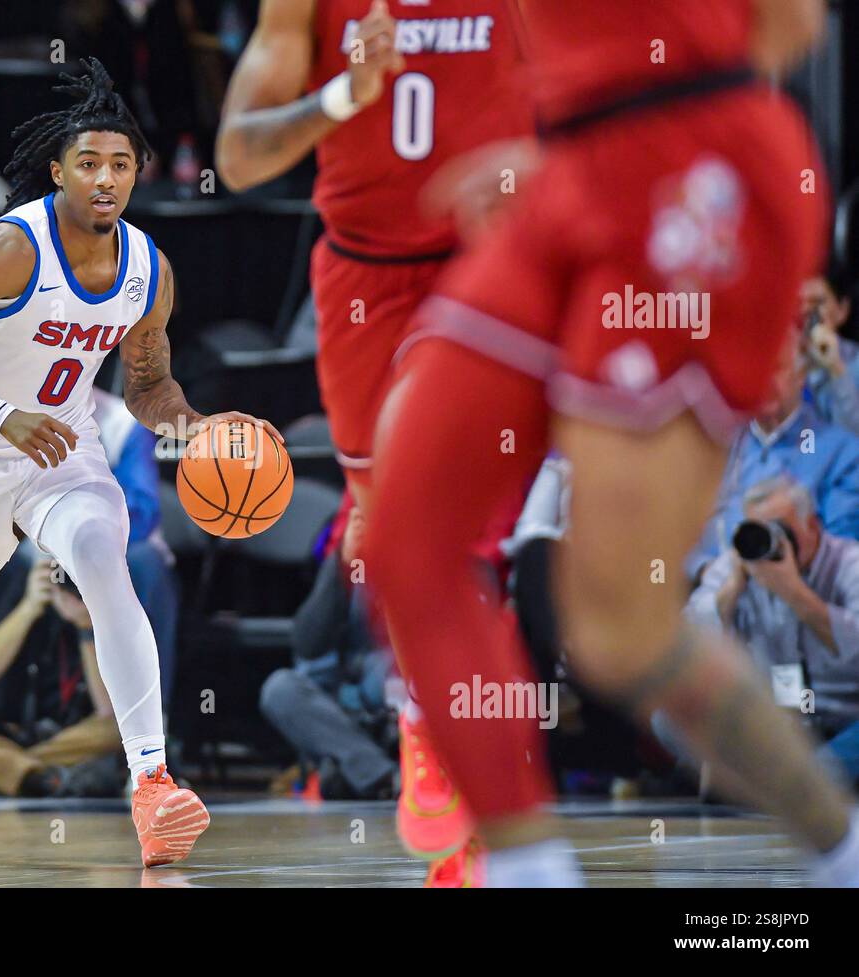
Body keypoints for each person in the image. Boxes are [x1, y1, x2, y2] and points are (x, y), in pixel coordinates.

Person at [366, 0, 859, 887]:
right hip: (574, 168)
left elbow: (793, 27)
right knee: (405, 539)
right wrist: (575, 129)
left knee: (619, 635)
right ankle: (530, 871)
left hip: (694, 169)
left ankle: (842, 853)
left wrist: (639, 116)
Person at [0, 58, 280, 868]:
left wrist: (192, 427)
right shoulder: (14, 247)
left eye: (121, 165)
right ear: (58, 171)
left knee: (102, 559)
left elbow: (149, 386)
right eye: (89, 162)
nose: (105, 178)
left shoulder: (147, 270)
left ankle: (153, 781)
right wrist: (1, 416)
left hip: (60, 449)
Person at [216, 0, 534, 879]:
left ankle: (442, 734)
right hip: (361, 274)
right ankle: (448, 766)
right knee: (385, 525)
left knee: (447, 514)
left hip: (483, 263)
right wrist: (342, 96)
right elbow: (237, 157)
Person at [685, 474, 859, 789]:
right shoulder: (741, 561)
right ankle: (766, 778)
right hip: (773, 721)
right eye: (761, 529)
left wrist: (795, 593)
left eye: (782, 528)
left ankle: (778, 782)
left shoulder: (850, 562)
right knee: (668, 717)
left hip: (845, 716)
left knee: (821, 773)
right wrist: (731, 590)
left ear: (813, 526)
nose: (773, 540)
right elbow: (687, 639)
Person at [0, 558, 123, 798]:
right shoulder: (17, 581)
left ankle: (8, 770)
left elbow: (107, 709)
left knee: (121, 726)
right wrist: (28, 608)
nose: (68, 584)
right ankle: (31, 773)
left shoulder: (103, 599)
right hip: (1, 731)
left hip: (65, 739)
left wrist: (86, 626)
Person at [689, 329, 859, 579]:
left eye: (776, 368)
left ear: (801, 376)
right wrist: (705, 571)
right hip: (711, 599)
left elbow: (842, 560)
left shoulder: (840, 452)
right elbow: (679, 534)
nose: (764, 381)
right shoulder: (717, 445)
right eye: (754, 371)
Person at [259, 506, 398, 802]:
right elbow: (307, 643)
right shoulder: (350, 553)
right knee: (281, 689)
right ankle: (384, 775)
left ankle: (355, 771)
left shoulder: (436, 552)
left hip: (401, 704)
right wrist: (343, 564)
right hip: (348, 710)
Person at [801, 272, 859, 435]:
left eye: (818, 302)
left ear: (842, 310)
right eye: (799, 302)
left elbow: (854, 438)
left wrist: (836, 369)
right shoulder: (783, 366)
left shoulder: (855, 364)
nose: (806, 310)